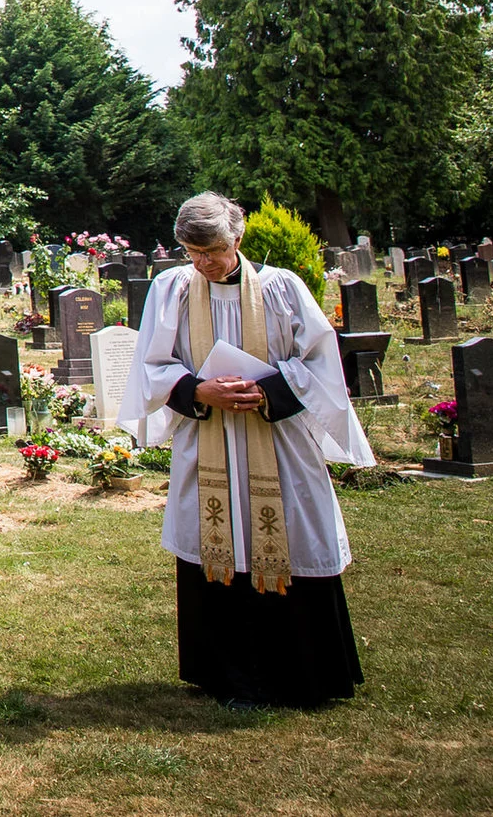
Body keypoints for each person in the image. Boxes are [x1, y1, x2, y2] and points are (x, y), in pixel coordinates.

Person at [119, 191, 373, 707]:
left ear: (237, 238)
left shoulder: (282, 289)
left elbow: (321, 361)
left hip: (277, 442)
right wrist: (196, 390)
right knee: (215, 543)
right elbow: (151, 364)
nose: (203, 264)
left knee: (294, 538)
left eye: (211, 251)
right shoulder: (172, 290)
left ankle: (303, 675)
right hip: (208, 437)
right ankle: (226, 676)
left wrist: (269, 390)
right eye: (192, 253)